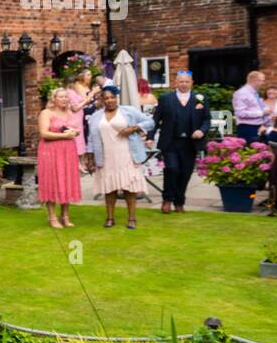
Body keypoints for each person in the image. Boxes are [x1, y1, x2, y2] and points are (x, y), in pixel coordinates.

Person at [87, 84, 156, 228]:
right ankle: (110, 218)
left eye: (112, 97)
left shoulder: (128, 111)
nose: (110, 100)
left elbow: (150, 122)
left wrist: (133, 128)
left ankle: (132, 218)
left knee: (129, 188)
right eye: (106, 98)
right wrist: (90, 158)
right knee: (109, 189)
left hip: (127, 155)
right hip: (105, 157)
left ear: (116, 98)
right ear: (102, 100)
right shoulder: (96, 116)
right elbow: (91, 139)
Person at [152, 70, 210, 213]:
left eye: (187, 81)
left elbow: (206, 118)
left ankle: (179, 202)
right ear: (176, 82)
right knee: (172, 169)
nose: (184, 84)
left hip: (190, 143)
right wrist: (149, 137)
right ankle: (167, 199)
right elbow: (155, 119)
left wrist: (201, 131)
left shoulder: (200, 98)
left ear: (191, 83)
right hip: (170, 141)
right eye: (181, 81)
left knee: (185, 172)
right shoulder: (165, 98)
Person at [37, 87, 82, 228]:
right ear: (54, 99)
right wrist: (64, 135)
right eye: (61, 97)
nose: (64, 99)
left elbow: (76, 130)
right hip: (50, 151)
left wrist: (75, 132)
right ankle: (52, 217)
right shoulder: (46, 113)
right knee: (52, 180)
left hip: (68, 151)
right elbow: (44, 134)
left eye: (66, 97)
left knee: (66, 180)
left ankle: (65, 216)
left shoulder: (69, 112)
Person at [64, 70, 98, 164]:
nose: (77, 83)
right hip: (75, 117)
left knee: (81, 139)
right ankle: (78, 163)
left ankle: (82, 163)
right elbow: (76, 107)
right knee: (78, 138)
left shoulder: (73, 91)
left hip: (79, 117)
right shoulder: (70, 92)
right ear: (71, 83)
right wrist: (90, 96)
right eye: (75, 81)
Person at [231, 71, 266, 144]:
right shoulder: (242, 93)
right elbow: (240, 113)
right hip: (248, 128)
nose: (263, 83)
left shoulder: (254, 93)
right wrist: (262, 113)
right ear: (254, 80)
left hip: (257, 127)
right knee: (249, 153)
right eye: (262, 80)